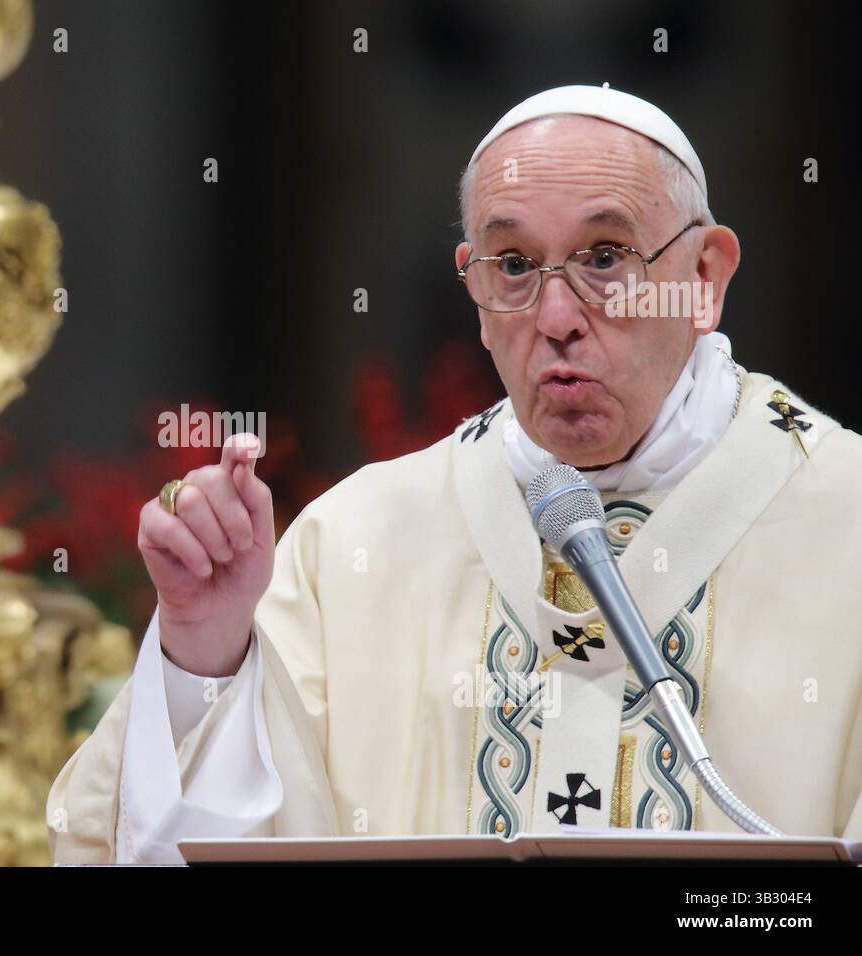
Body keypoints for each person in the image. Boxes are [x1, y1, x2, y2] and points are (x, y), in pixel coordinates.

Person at [47, 85, 862, 864]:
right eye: (512, 265)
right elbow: (183, 844)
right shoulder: (357, 542)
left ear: (704, 279)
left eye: (605, 257)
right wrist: (206, 649)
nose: (556, 319)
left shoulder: (846, 516)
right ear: (473, 289)